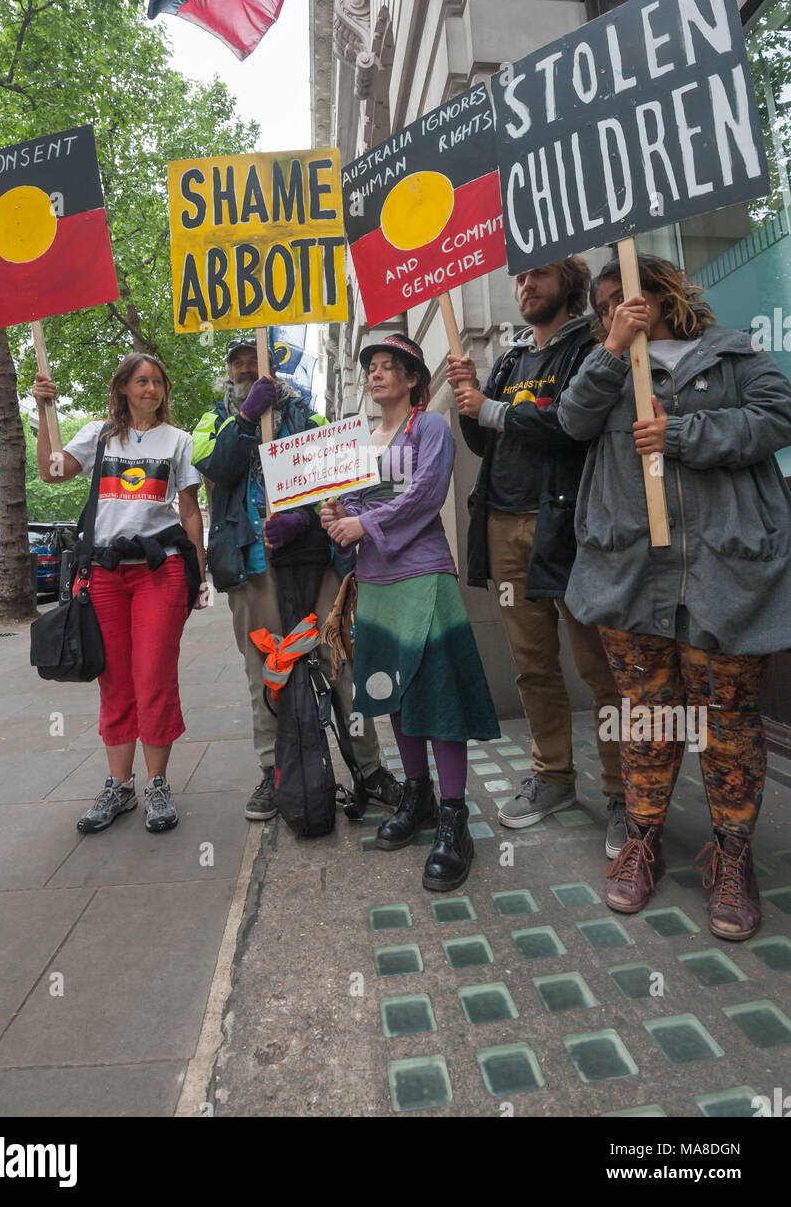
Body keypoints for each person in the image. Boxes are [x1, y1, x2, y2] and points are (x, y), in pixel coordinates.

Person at [558, 253, 791, 940]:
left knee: (726, 718)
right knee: (648, 714)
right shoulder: (602, 365)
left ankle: (732, 857)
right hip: (633, 573)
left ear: (660, 293)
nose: (610, 313)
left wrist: (682, 434)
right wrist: (608, 348)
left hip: (724, 574)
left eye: (620, 300)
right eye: (599, 308)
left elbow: (776, 417)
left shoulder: (731, 354)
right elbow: (572, 422)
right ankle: (641, 842)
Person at [446, 258, 626, 858]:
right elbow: (484, 440)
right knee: (532, 665)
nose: (526, 286)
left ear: (566, 287)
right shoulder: (509, 361)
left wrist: (493, 408)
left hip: (565, 529)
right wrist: (470, 396)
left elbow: (569, 426)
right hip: (504, 525)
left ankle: (626, 793)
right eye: (520, 279)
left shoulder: (587, 349)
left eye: (538, 277)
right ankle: (553, 778)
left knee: (601, 669)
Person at [192, 335, 401, 820]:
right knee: (266, 669)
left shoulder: (311, 417)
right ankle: (275, 771)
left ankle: (368, 769)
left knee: (340, 660)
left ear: (274, 368)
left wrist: (303, 520)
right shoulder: (211, 420)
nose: (247, 367)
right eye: (238, 361)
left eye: (256, 359)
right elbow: (218, 468)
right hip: (252, 564)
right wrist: (246, 420)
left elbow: (339, 485)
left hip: (315, 560)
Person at [321, 333, 499, 891]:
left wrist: (363, 523)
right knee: (389, 693)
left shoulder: (432, 428)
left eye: (387, 367)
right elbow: (346, 502)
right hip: (374, 582)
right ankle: (415, 794)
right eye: (371, 367)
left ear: (413, 379)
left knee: (436, 693)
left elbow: (425, 495)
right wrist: (335, 514)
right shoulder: (356, 442)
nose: (375, 375)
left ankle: (454, 819)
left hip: (423, 576)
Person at [32, 354, 206, 834]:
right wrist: (42, 412)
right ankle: (118, 785)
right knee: (114, 680)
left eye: (156, 382)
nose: (150, 389)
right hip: (105, 574)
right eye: (141, 381)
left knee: (154, 675)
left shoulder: (179, 440)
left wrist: (200, 577)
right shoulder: (100, 433)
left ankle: (157, 786)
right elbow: (51, 470)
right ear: (124, 387)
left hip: (161, 571)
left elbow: (189, 512)